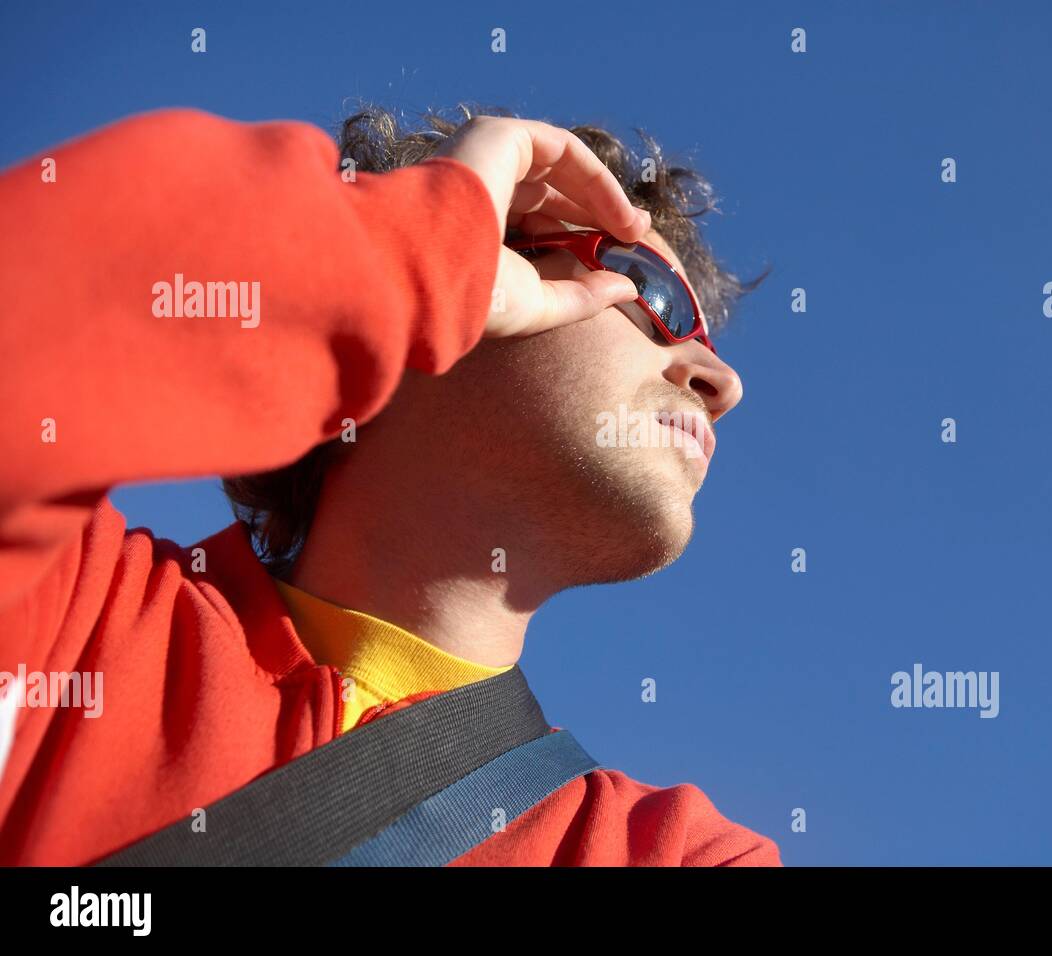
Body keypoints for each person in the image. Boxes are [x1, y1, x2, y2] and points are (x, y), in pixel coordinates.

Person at [0, 104, 780, 866]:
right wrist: (408, 247)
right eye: (656, 298)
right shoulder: (73, 618)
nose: (722, 381)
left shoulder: (673, 852)